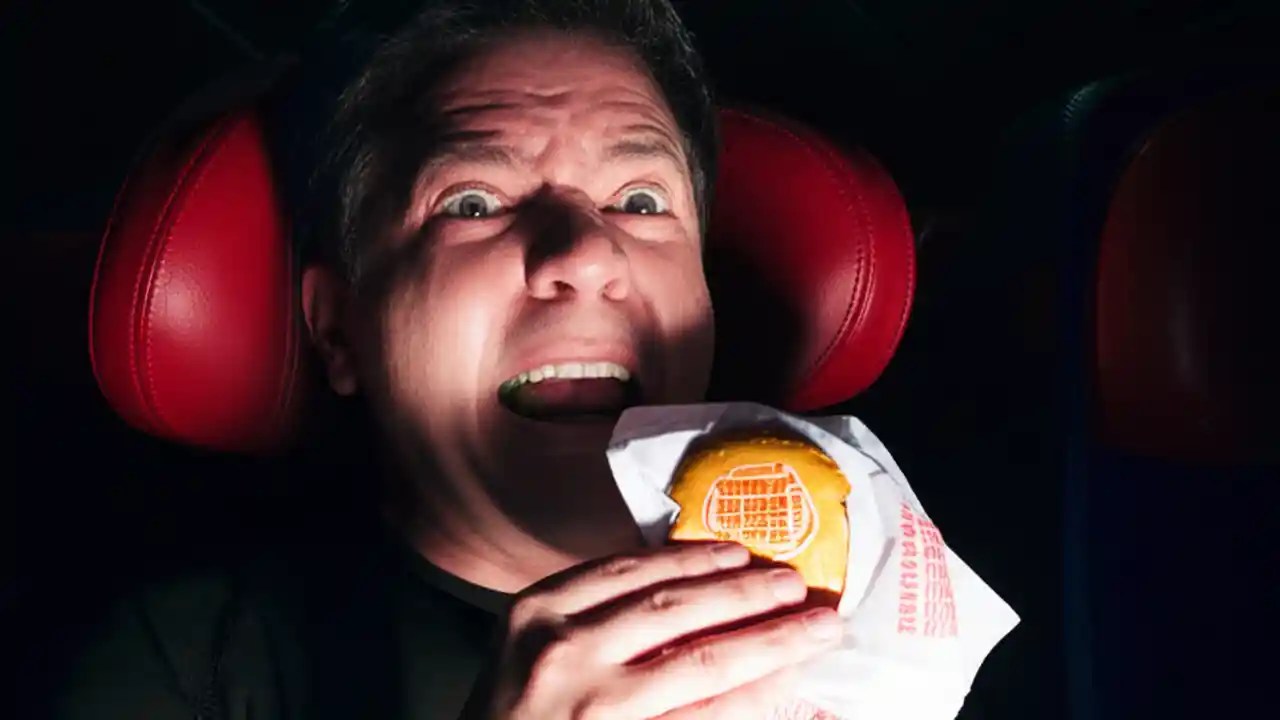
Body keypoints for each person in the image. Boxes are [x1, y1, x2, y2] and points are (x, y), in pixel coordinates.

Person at [39, 2, 845, 718]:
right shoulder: (186, 668)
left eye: (640, 201)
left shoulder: (879, 582)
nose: (587, 252)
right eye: (474, 204)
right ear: (338, 332)